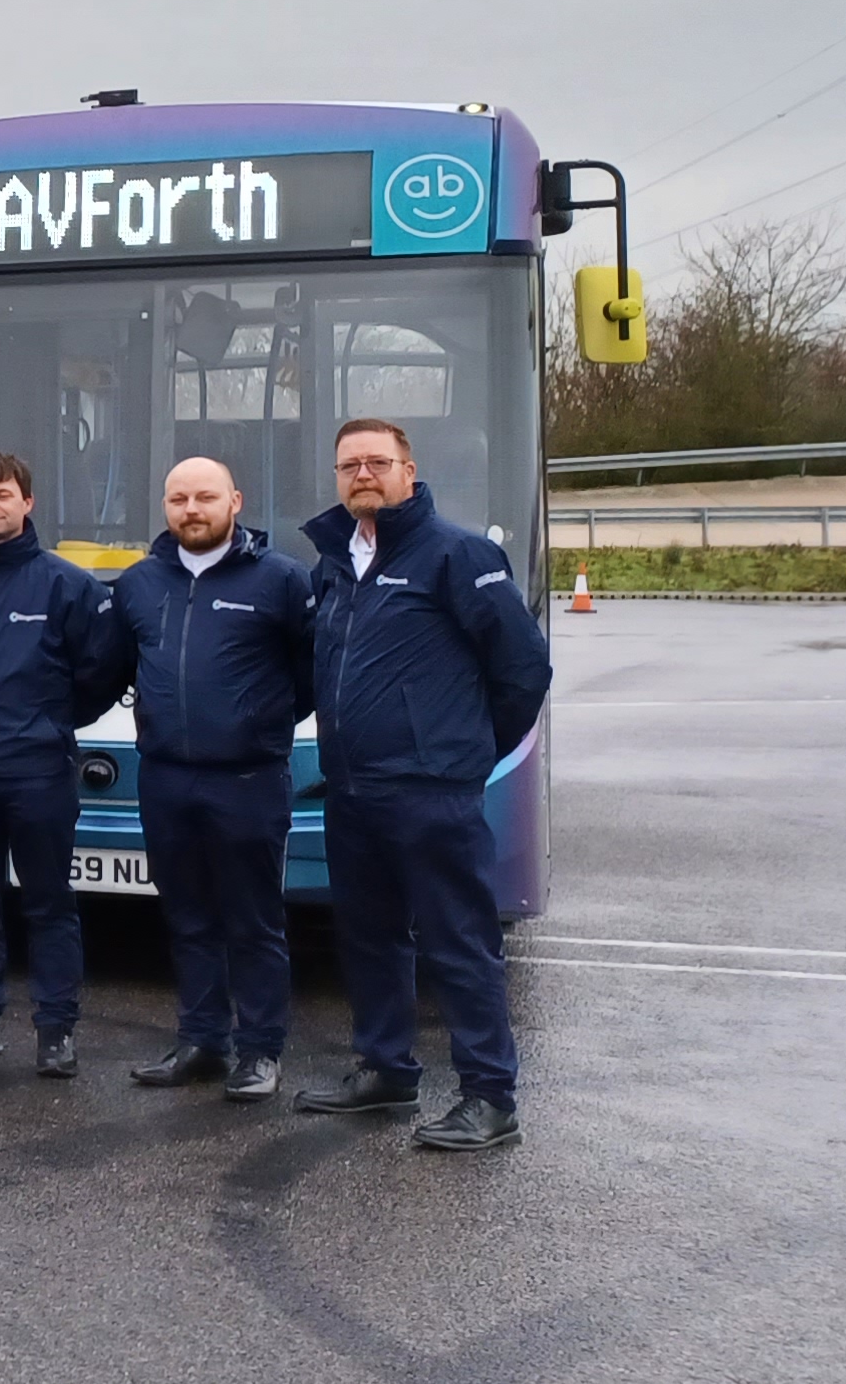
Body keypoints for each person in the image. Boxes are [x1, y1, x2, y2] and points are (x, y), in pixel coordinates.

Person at [294, 418, 553, 1151]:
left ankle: (489, 1096)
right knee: (369, 936)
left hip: (431, 789)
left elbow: (522, 670)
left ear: (410, 470)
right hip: (350, 788)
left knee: (459, 940)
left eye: (378, 461)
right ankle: (385, 1069)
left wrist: (462, 754)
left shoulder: (459, 555)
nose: (363, 474)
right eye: (350, 465)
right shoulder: (336, 563)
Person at [98, 456, 315, 1102]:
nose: (192, 510)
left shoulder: (279, 580)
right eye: (179, 499)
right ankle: (201, 1041)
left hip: (247, 779)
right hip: (164, 778)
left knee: (252, 921)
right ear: (165, 507)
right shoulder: (137, 585)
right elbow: (112, 669)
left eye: (205, 498)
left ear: (235, 502)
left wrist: (262, 724)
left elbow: (310, 674)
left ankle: (259, 1051)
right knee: (187, 917)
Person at [0, 450, 124, 1076]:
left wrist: (52, 723)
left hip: (37, 772)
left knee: (48, 902)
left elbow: (103, 673)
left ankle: (55, 1030)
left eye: (3, 494)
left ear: (27, 503)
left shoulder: (67, 586)